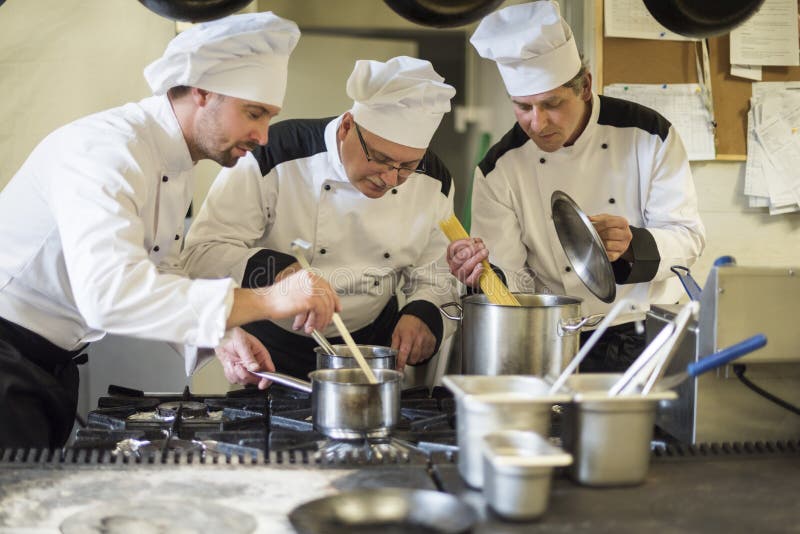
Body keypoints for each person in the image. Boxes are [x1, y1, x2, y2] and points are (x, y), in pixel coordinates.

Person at [0, 12, 341, 449]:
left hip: (52, 365)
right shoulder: (105, 151)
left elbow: (159, 274)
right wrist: (269, 299)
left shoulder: (176, 164)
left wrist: (218, 334)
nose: (263, 135)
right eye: (253, 113)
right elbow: (111, 294)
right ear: (201, 91)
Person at [446, 1, 706, 371]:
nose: (537, 123)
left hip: (649, 332)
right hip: (557, 338)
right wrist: (480, 274)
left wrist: (634, 245)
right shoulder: (498, 169)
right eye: (523, 107)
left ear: (584, 86)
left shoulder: (648, 136)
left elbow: (688, 238)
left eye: (551, 104)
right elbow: (511, 278)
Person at [181, 56, 459, 378]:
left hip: (371, 352)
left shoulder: (435, 179)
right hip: (270, 352)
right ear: (346, 126)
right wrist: (281, 272)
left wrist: (423, 310)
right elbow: (203, 252)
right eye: (380, 159)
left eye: (407, 167)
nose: (390, 179)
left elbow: (434, 271)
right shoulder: (274, 153)